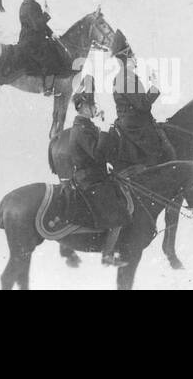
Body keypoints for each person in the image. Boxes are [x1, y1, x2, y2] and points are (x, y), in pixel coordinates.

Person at [66, 76, 129, 266]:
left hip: (95, 174)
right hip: (89, 179)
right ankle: (107, 255)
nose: (95, 108)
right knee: (118, 216)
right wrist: (104, 128)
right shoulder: (82, 129)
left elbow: (102, 154)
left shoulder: (86, 126)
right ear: (83, 107)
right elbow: (97, 153)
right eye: (92, 105)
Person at [109, 31, 175, 168]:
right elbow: (143, 105)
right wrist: (154, 87)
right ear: (127, 58)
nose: (135, 59)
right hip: (135, 125)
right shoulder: (126, 77)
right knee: (159, 152)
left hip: (132, 122)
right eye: (133, 56)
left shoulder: (124, 76)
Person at [16, 0, 59, 89]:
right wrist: (46, 15)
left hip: (28, 38)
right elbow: (37, 25)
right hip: (33, 41)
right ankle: (48, 87)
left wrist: (51, 33)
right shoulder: (32, 6)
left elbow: (40, 24)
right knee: (51, 58)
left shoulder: (26, 4)